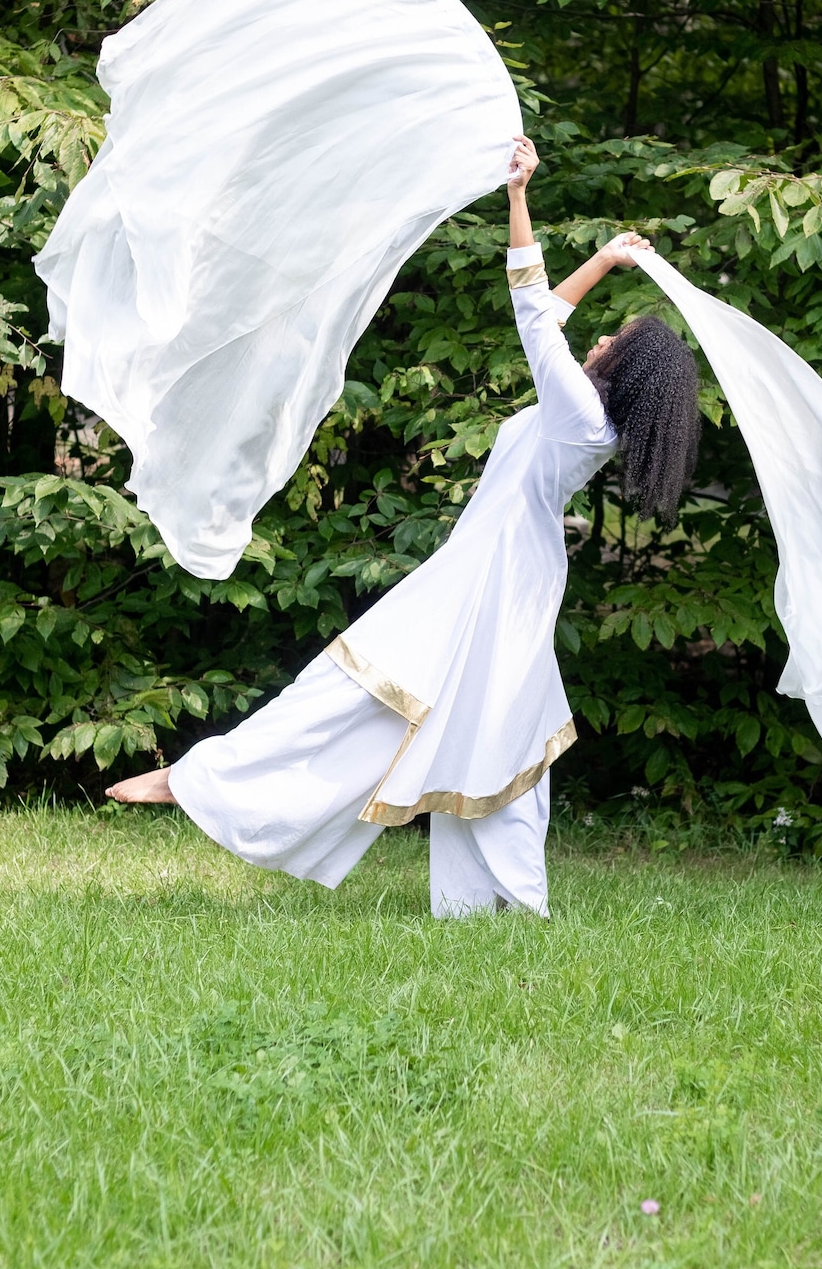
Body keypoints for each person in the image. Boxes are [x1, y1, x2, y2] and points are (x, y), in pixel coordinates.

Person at [107, 136, 701, 915]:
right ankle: (492, 905)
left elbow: (533, 310)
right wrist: (604, 259)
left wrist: (519, 195)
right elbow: (553, 316)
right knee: (491, 731)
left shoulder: (580, 417)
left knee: (365, 686)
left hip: (491, 579)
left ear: (623, 369)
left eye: (613, 341)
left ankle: (201, 782)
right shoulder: (586, 416)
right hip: (502, 575)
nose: (600, 338)